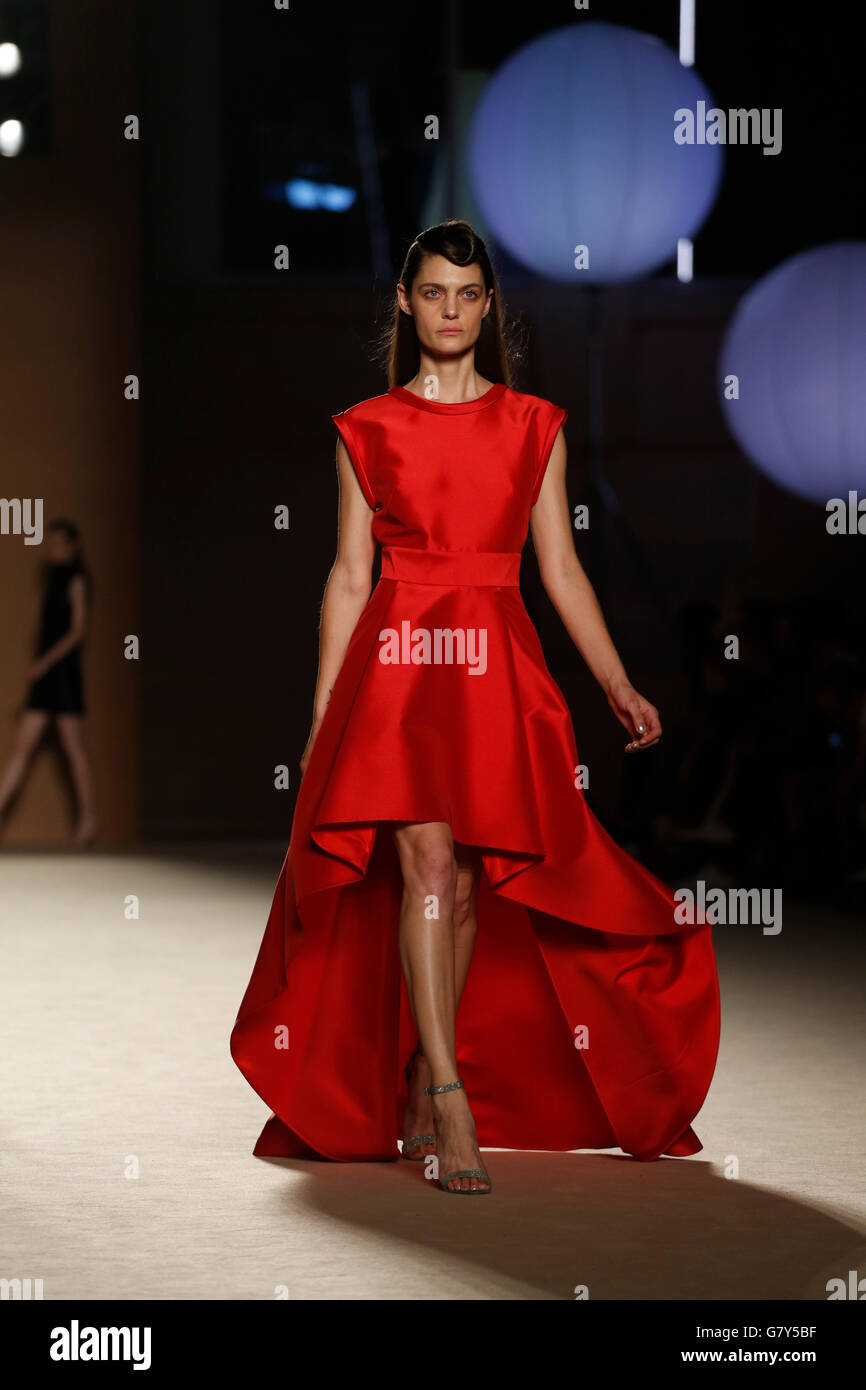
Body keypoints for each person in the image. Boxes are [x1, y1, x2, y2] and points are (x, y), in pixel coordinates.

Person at [231, 220, 719, 1195]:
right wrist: (328, 705)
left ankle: (421, 1070)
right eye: (432, 293)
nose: (450, 310)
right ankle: (450, 1096)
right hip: (401, 665)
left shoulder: (532, 424)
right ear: (405, 305)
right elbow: (346, 574)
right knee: (426, 863)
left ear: (487, 307)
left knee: (461, 889)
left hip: (496, 664)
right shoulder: (363, 428)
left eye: (467, 294)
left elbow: (561, 568)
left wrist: (616, 681)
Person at [0, 519, 98, 846]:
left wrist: (44, 663)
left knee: (73, 749)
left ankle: (87, 821)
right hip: (44, 677)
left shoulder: (77, 579)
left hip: (63, 675)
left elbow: (78, 630)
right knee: (20, 748)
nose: (53, 549)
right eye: (51, 542)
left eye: (59, 543)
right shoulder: (52, 581)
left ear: (73, 546)